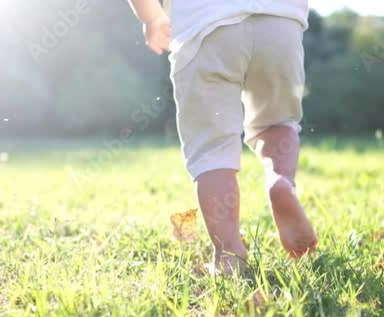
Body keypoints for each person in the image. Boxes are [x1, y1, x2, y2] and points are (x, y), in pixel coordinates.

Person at [127, 0, 319, 274]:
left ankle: (229, 252)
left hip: (205, 29)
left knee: (212, 152)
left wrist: (151, 18)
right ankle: (281, 181)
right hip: (280, 25)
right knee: (276, 123)